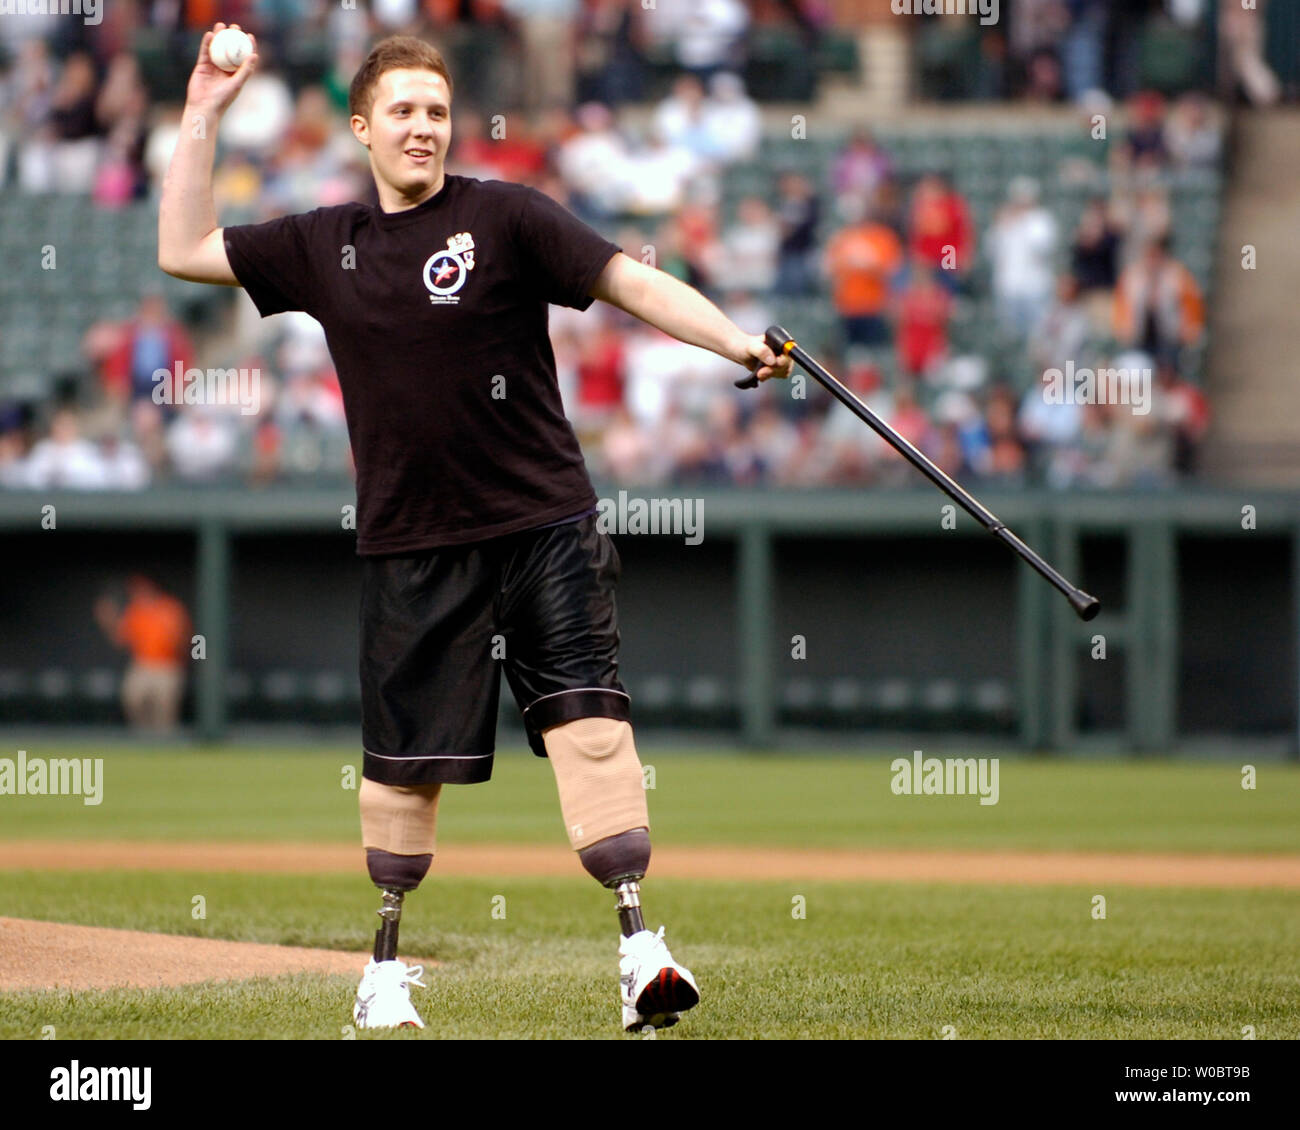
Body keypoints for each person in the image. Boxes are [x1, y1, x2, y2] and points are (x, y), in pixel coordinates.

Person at [158, 26, 791, 1034]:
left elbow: (628, 278)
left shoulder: (506, 216)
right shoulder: (324, 244)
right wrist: (202, 112)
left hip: (544, 521)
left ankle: (639, 951)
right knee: (405, 773)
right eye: (402, 111)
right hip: (412, 541)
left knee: (592, 730)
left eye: (437, 111)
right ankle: (383, 973)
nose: (422, 128)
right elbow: (183, 249)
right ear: (362, 126)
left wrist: (735, 338)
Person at [94, 575, 192, 732]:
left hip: (167, 665)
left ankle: (165, 743)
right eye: (135, 590)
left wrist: (184, 647)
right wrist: (108, 620)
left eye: (141, 589)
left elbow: (189, 640)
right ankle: (143, 739)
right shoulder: (136, 611)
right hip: (142, 666)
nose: (138, 593)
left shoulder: (170, 608)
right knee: (132, 697)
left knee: (165, 708)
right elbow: (120, 640)